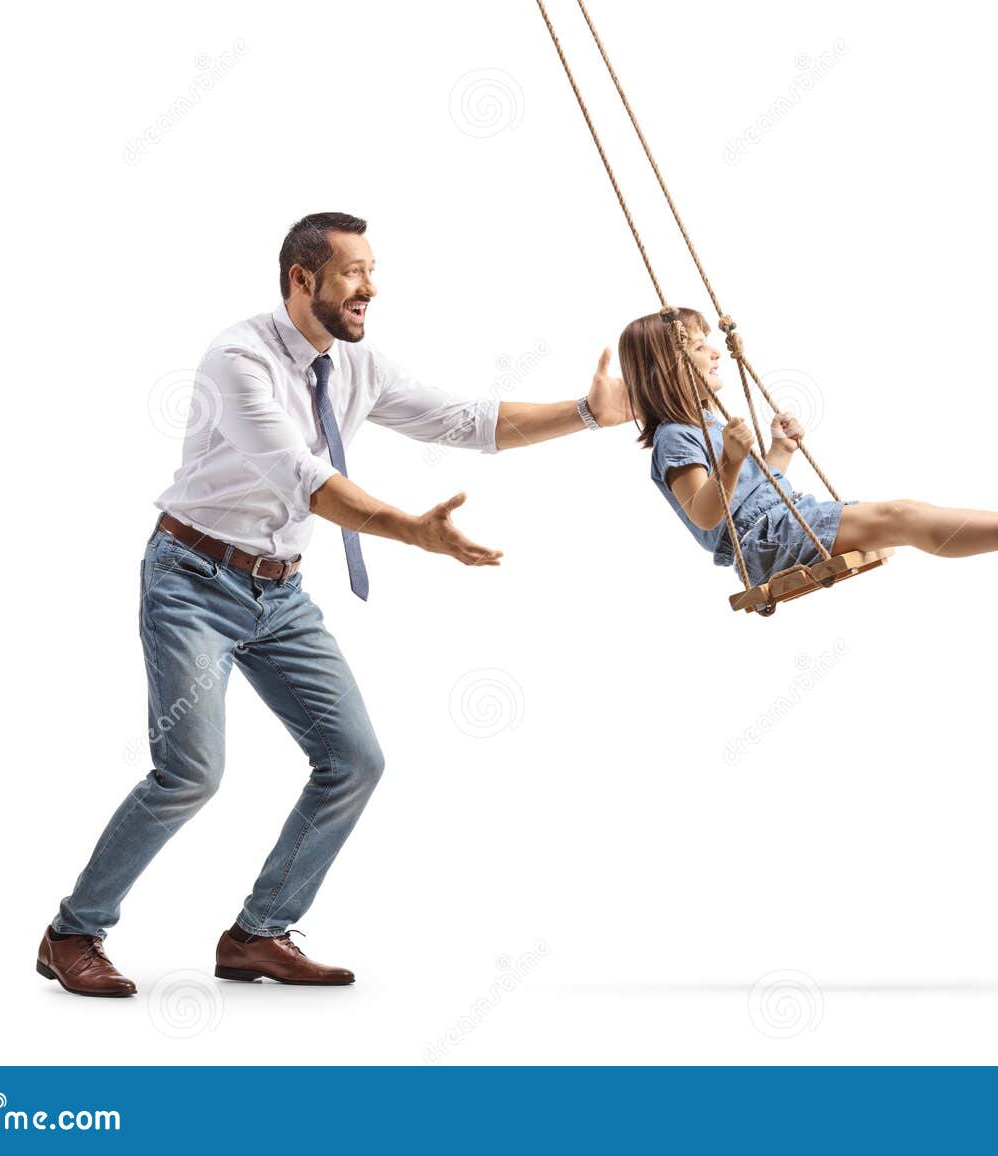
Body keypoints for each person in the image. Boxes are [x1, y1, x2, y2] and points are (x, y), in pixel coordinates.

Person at [37, 212, 630, 996]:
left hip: (279, 593)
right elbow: (303, 478)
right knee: (191, 772)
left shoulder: (355, 364)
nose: (370, 288)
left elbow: (465, 420)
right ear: (301, 280)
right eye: (354, 272)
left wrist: (586, 413)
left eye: (372, 270)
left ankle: (257, 934)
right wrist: (411, 532)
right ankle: (72, 932)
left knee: (353, 760)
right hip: (192, 580)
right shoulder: (237, 359)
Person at [618, 308, 998, 587]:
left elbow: (751, 494)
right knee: (899, 515)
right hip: (764, 542)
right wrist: (729, 460)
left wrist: (779, 452)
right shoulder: (674, 436)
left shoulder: (706, 423)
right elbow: (707, 516)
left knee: (907, 511)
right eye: (698, 345)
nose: (713, 351)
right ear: (669, 364)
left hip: (783, 520)